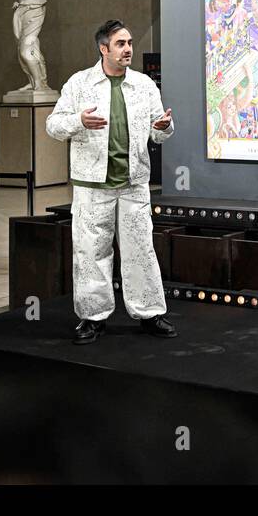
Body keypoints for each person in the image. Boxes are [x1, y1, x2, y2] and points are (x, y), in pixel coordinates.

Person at [46, 20, 176, 344]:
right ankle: (92, 318)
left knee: (141, 251)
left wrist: (162, 126)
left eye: (129, 42)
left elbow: (158, 133)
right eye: (120, 43)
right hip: (92, 186)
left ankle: (149, 314)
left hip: (133, 184)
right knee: (90, 252)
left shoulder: (145, 85)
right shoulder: (80, 84)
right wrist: (79, 121)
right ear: (103, 48)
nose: (128, 48)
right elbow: (53, 125)